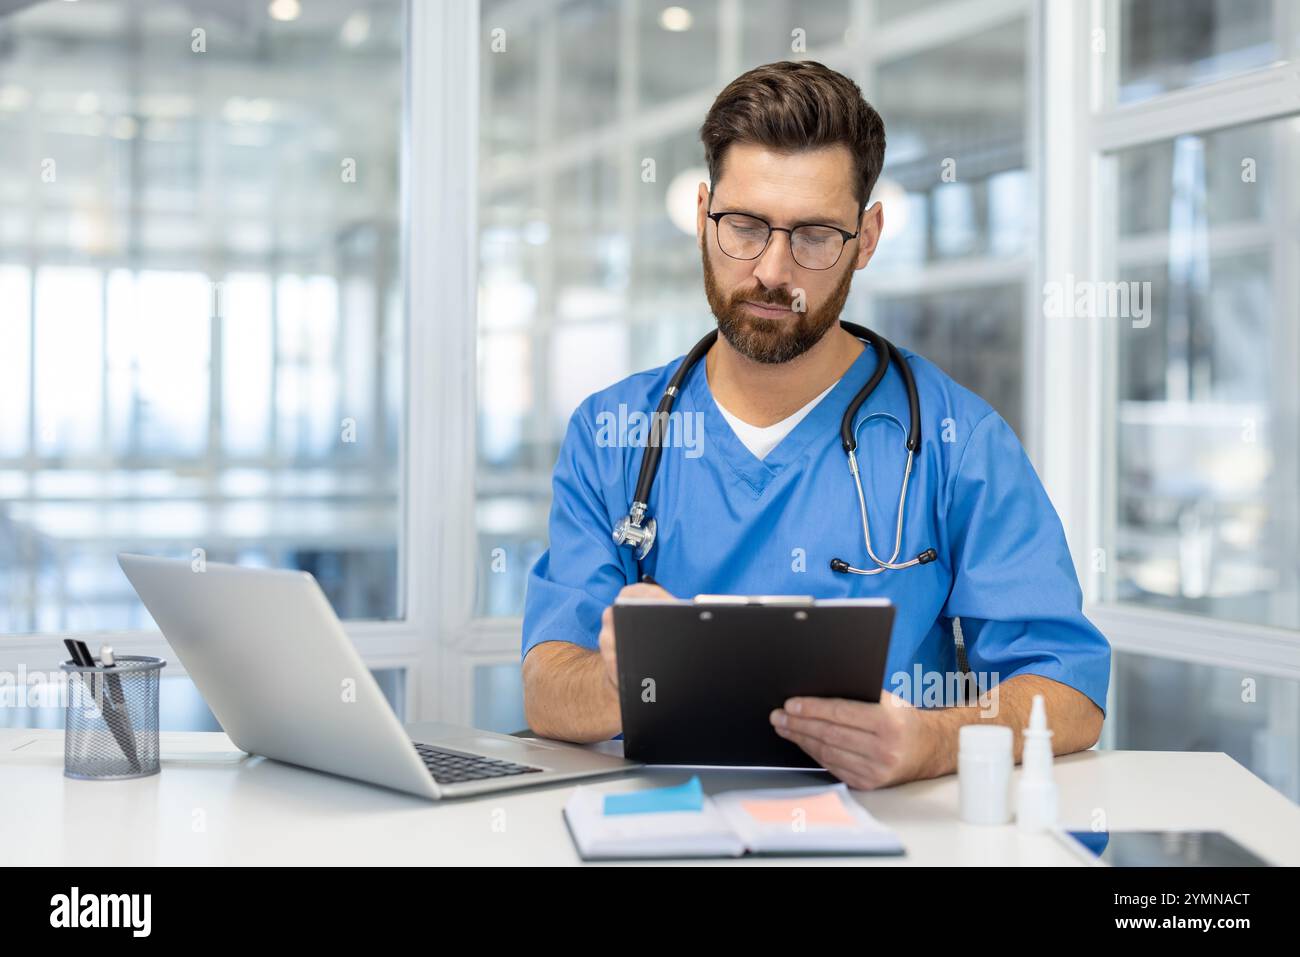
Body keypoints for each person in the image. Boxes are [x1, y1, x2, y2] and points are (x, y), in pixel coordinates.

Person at [519, 60, 1109, 789]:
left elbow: (1071, 694)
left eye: (815, 237)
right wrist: (627, 679)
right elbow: (547, 688)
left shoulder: (958, 439)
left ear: (866, 238)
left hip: (887, 832)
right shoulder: (615, 432)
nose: (772, 269)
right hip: (664, 832)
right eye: (744, 226)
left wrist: (929, 739)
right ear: (704, 213)